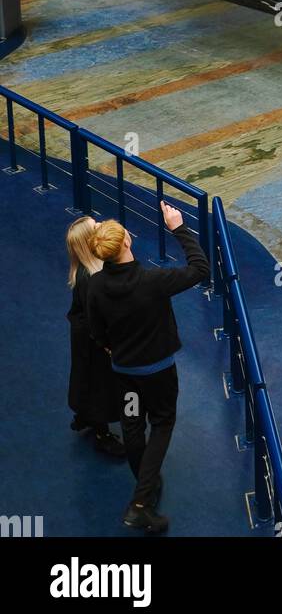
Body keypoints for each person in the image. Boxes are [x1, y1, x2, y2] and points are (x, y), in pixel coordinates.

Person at [86, 201, 210, 534]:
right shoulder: (153, 280)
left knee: (132, 424)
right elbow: (201, 269)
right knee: (163, 422)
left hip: (125, 372)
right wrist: (178, 228)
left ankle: (146, 483)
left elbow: (96, 331)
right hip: (158, 372)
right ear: (126, 242)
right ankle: (140, 503)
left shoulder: (95, 286)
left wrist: (113, 348)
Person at [66, 217, 125, 458]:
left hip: (85, 337)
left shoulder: (85, 272)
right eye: (96, 226)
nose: (101, 224)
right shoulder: (91, 279)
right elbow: (97, 318)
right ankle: (102, 434)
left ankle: (84, 416)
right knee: (100, 385)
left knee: (87, 380)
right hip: (93, 342)